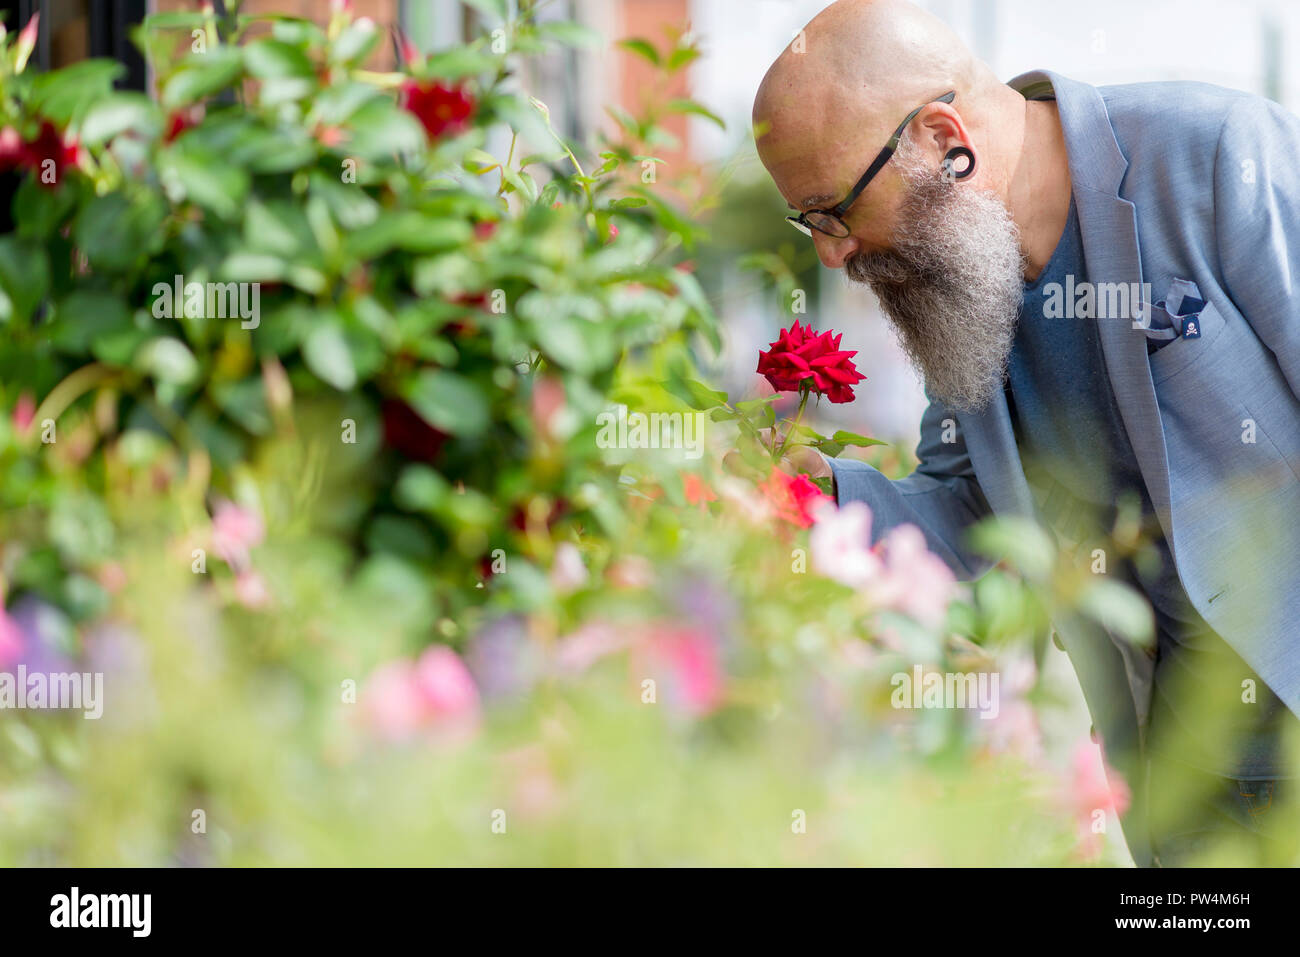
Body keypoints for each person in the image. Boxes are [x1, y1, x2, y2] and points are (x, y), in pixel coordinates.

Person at [752, 0, 1300, 866]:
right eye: (809, 222)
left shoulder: (1219, 155)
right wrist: (819, 496)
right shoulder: (962, 278)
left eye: (834, 211)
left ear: (942, 138)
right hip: (1177, 780)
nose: (831, 253)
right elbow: (974, 505)